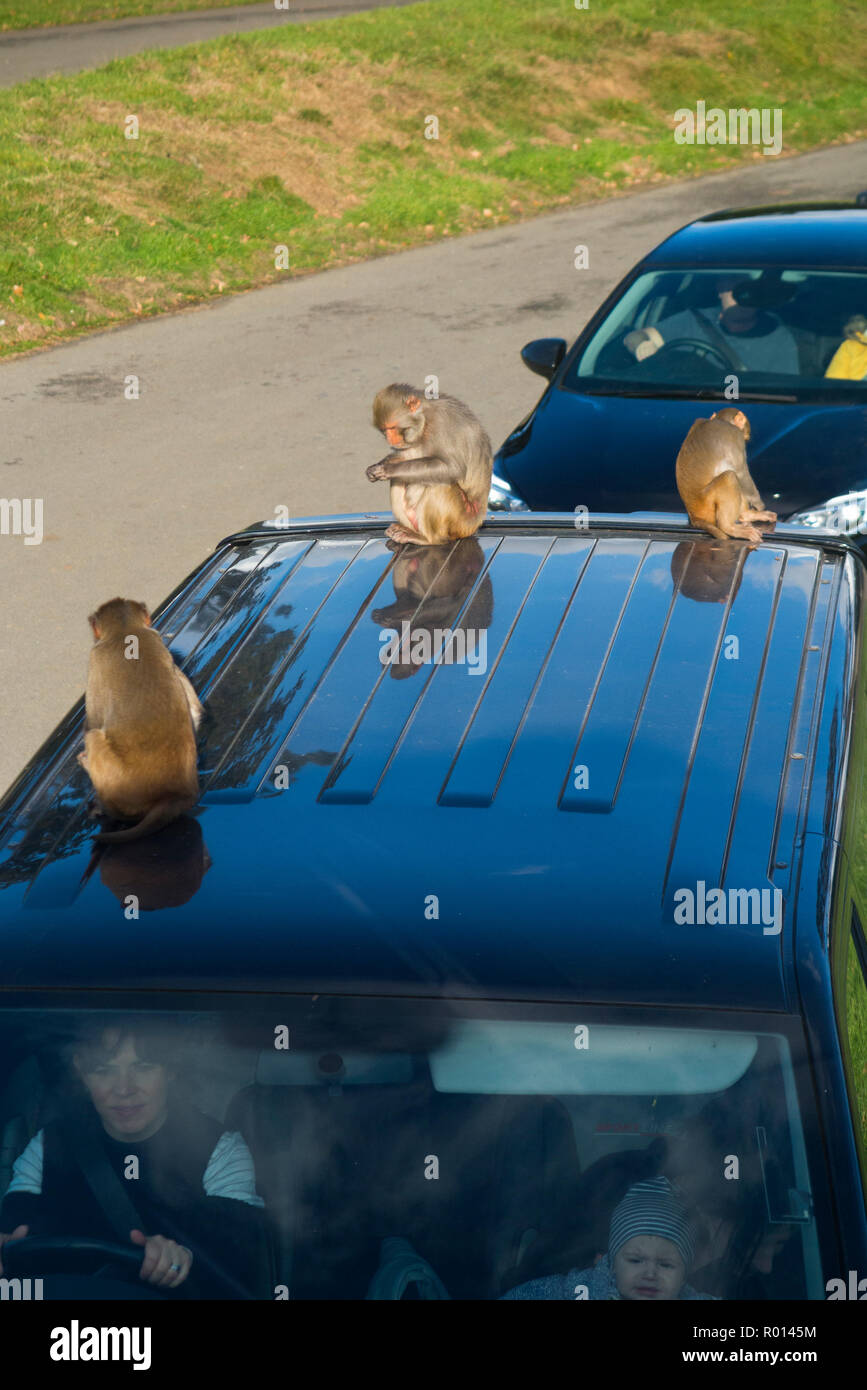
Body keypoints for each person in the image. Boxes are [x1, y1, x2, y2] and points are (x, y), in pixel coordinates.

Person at [0, 1020, 269, 1297]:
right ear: (81, 1070)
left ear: (171, 1069)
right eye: (104, 1071)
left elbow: (238, 1254)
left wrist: (183, 1256)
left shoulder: (220, 1148)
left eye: (143, 1067)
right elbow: (16, 1227)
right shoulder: (48, 1145)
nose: (124, 1089)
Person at [501, 1176, 717, 1300]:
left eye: (666, 1265)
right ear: (612, 1262)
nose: (650, 1273)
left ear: (684, 1274)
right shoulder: (570, 1292)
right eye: (635, 1260)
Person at [624, 275, 799, 374]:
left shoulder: (776, 335)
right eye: (736, 289)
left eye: (749, 291)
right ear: (720, 289)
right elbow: (634, 337)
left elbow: (785, 394)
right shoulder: (692, 319)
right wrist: (643, 345)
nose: (742, 298)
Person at [825, 313, 867, 379]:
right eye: (852, 321)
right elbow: (835, 376)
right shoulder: (848, 345)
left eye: (859, 320)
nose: (856, 323)